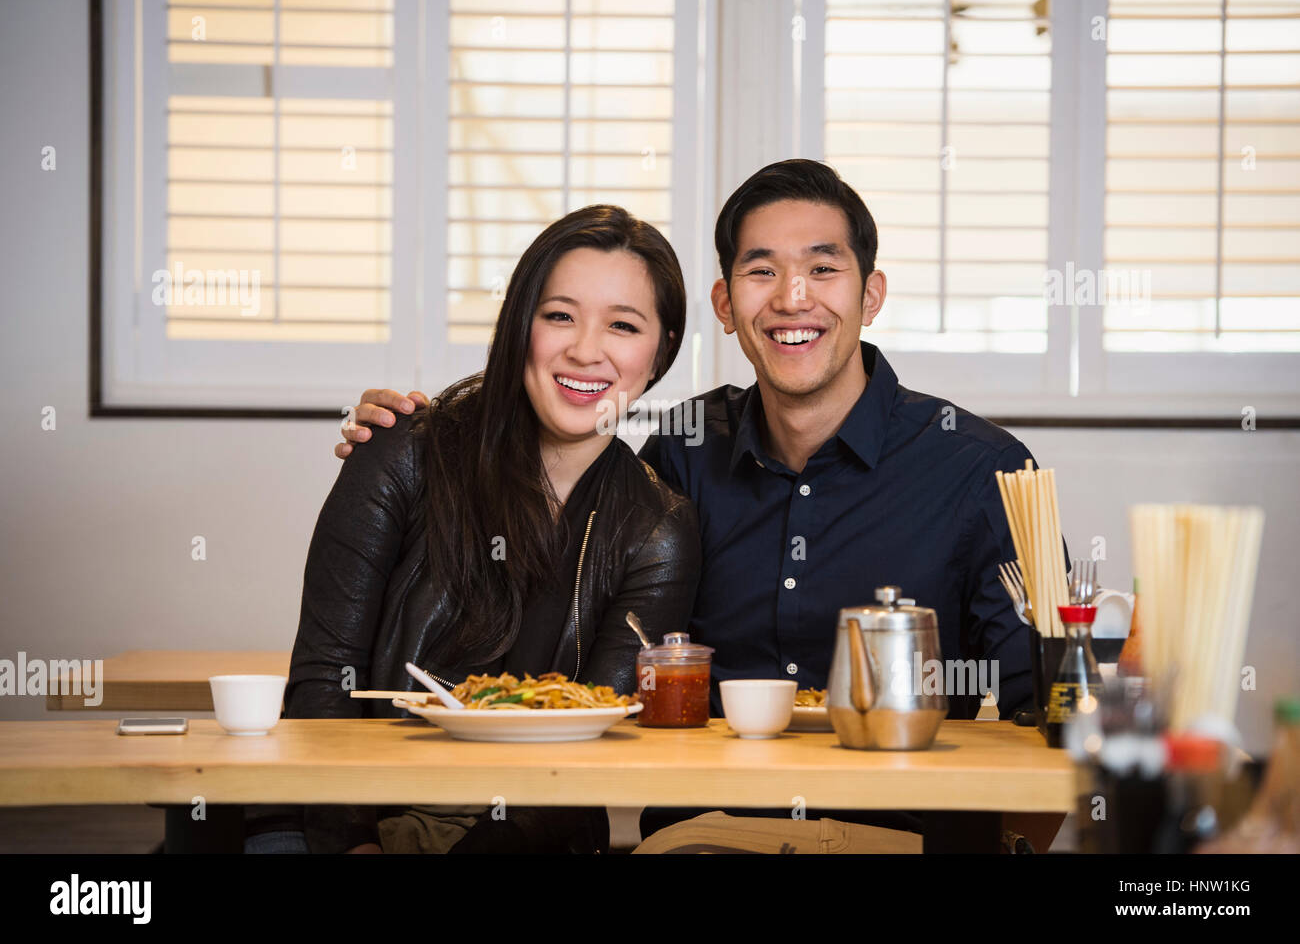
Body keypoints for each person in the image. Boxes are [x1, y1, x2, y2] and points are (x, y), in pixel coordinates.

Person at [339, 159, 1062, 853]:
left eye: (822, 268)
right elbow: (555, 626)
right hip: (704, 832)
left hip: (903, 835)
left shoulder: (983, 470)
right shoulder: (678, 459)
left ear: (870, 295)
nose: (792, 297)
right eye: (761, 271)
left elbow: (1054, 716)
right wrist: (434, 447)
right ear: (724, 305)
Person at [247, 204, 701, 854]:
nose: (585, 349)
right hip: (340, 807)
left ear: (658, 354)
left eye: (623, 325)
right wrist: (354, 844)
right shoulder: (402, 450)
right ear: (521, 327)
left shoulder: (659, 530)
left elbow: (591, 734)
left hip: (529, 833)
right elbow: (325, 680)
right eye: (559, 315)